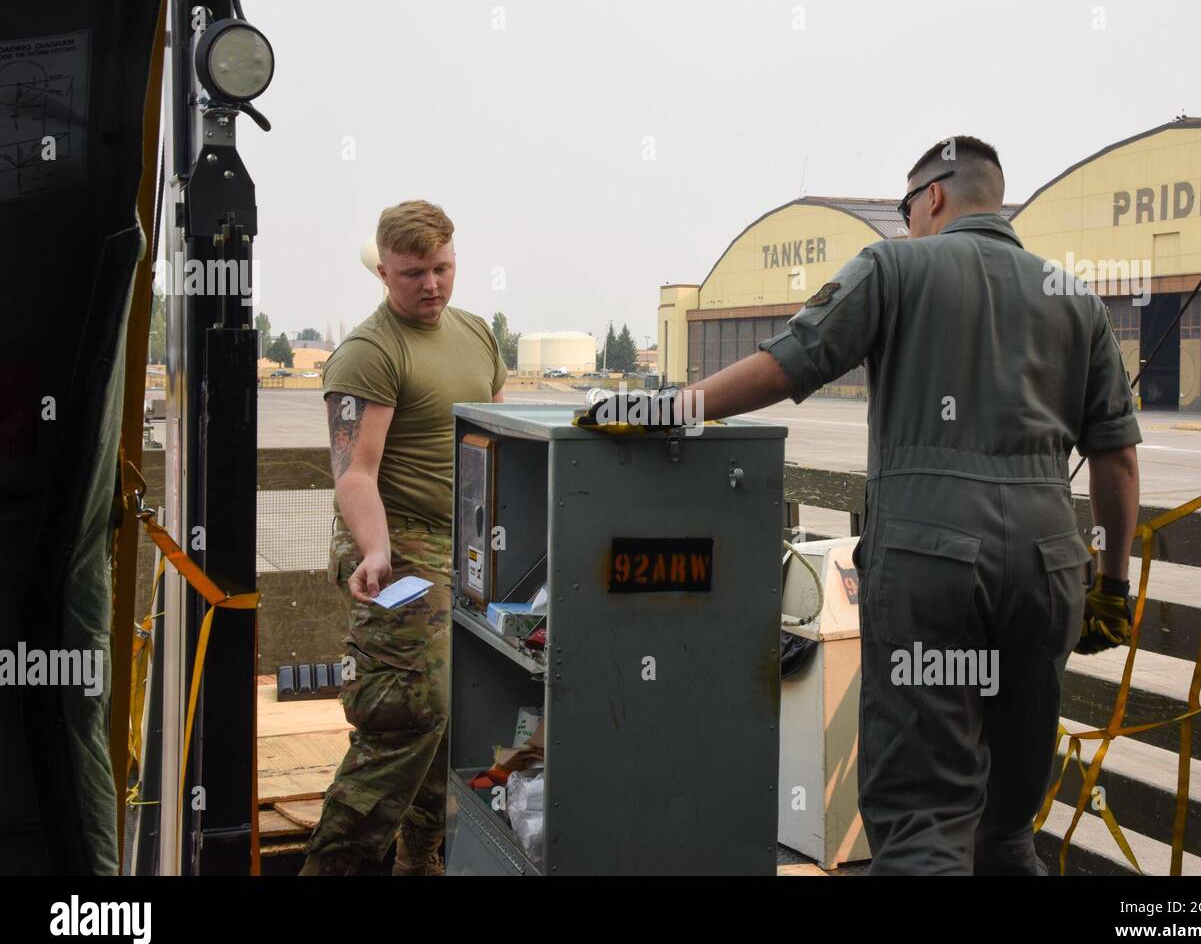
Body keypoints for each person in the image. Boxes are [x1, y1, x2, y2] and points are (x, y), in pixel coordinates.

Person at [610, 136, 1141, 875]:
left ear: (934, 197)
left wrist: (666, 411)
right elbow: (1117, 459)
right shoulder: (1073, 296)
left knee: (926, 815)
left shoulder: (895, 267)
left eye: (905, 209)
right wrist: (1112, 585)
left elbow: (784, 366)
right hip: (1050, 572)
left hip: (934, 564)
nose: (907, 223)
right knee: (1007, 825)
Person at [300, 200, 507, 876]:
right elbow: (355, 473)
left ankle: (423, 859)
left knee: (462, 715)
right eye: (414, 272)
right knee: (411, 706)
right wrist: (377, 552)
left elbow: (496, 441)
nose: (432, 285)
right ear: (384, 269)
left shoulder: (476, 334)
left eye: (442, 268)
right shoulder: (369, 351)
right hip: (397, 541)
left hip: (469, 545)